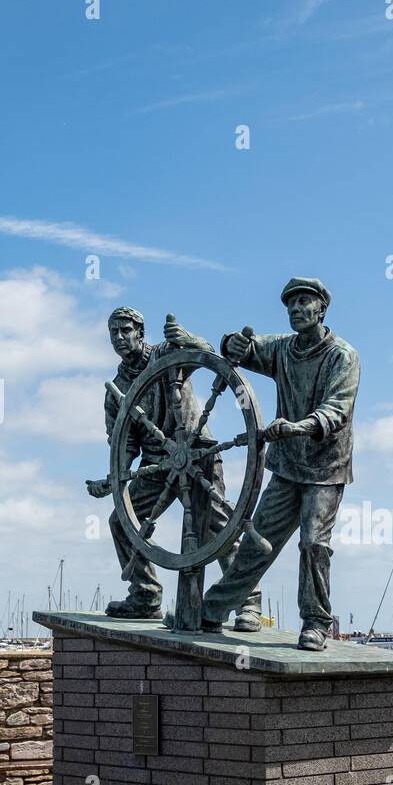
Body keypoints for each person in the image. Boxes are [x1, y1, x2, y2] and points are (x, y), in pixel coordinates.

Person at [199, 277, 360, 652]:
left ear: (322, 309)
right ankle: (214, 608)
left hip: (326, 469)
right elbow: (244, 348)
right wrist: (231, 343)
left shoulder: (343, 356)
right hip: (287, 466)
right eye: (290, 305)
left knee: (313, 544)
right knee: (259, 541)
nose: (296, 310)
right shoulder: (283, 349)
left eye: (305, 302)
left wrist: (297, 427)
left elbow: (336, 411)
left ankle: (316, 622)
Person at [86, 307, 261, 626]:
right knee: (121, 520)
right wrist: (114, 480)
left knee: (218, 527)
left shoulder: (165, 354)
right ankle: (145, 596)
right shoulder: (116, 391)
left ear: (140, 332)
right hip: (156, 466)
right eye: (114, 333)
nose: (120, 338)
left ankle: (247, 602)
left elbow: (209, 357)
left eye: (126, 331)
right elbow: (124, 446)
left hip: (195, 454)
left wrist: (190, 339)